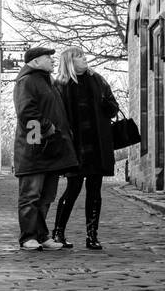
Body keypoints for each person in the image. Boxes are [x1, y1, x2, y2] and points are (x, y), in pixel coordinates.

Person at [51, 47, 120, 250]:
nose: (84, 59)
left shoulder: (97, 80)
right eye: (79, 56)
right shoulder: (61, 85)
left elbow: (113, 106)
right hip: (75, 146)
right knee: (72, 189)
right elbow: (56, 116)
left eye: (84, 56)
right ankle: (58, 233)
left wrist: (107, 105)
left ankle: (92, 236)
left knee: (95, 190)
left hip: (97, 143)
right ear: (70, 62)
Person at [13, 46, 78, 251]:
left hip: (51, 151)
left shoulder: (47, 82)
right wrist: (47, 129)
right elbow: (27, 113)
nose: (52, 60)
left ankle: (42, 236)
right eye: (47, 57)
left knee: (47, 196)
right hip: (34, 151)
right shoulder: (27, 82)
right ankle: (28, 237)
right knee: (31, 196)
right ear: (35, 62)